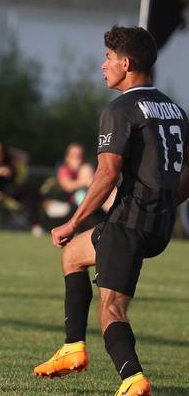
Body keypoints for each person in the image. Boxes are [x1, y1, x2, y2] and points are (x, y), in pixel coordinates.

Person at [33, 26, 189, 396]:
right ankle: (72, 347)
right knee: (74, 256)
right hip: (159, 225)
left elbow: (106, 173)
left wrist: (72, 222)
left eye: (108, 58)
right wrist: (166, 203)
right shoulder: (176, 110)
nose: (103, 65)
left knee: (111, 308)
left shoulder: (120, 110)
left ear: (126, 63)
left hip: (129, 222)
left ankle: (132, 379)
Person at [0, 139, 44, 235]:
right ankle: (45, 204)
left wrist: (10, 152)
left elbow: (25, 156)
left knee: (28, 197)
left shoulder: (8, 161)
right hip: (0, 193)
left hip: (17, 192)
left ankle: (36, 226)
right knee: (27, 190)